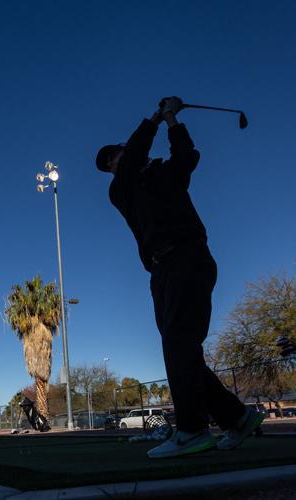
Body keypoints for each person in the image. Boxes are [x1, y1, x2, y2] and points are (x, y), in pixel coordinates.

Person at [96, 96, 264, 458]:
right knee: (181, 347)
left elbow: (187, 156)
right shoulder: (120, 189)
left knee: (179, 344)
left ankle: (191, 429)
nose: (115, 161)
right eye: (111, 161)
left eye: (116, 154)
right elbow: (136, 155)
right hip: (160, 270)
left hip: (188, 256)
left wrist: (173, 121)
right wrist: (156, 117)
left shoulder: (163, 175)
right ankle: (237, 417)